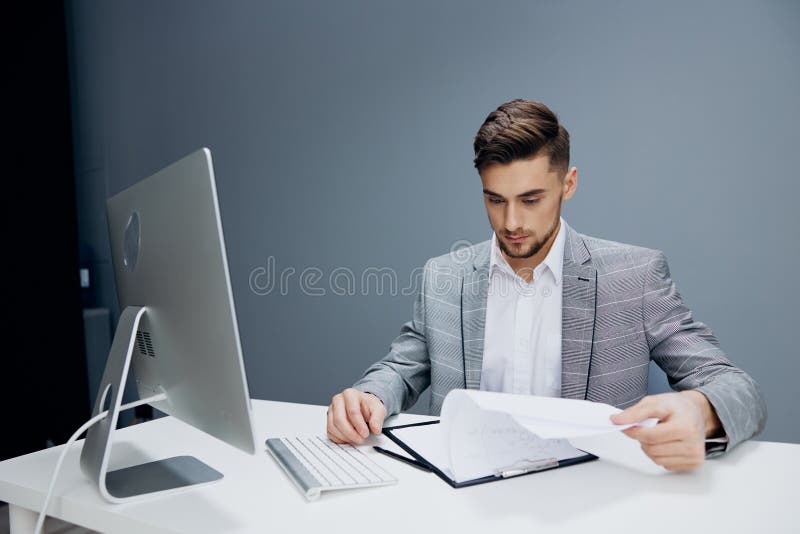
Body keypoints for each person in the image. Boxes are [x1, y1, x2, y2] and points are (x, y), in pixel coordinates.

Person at [326, 99, 767, 471]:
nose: (511, 222)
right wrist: (368, 399)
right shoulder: (444, 276)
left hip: (590, 502)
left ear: (568, 184)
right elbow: (402, 368)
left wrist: (700, 410)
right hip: (463, 500)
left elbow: (737, 389)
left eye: (531, 200)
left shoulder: (636, 277)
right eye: (494, 200)